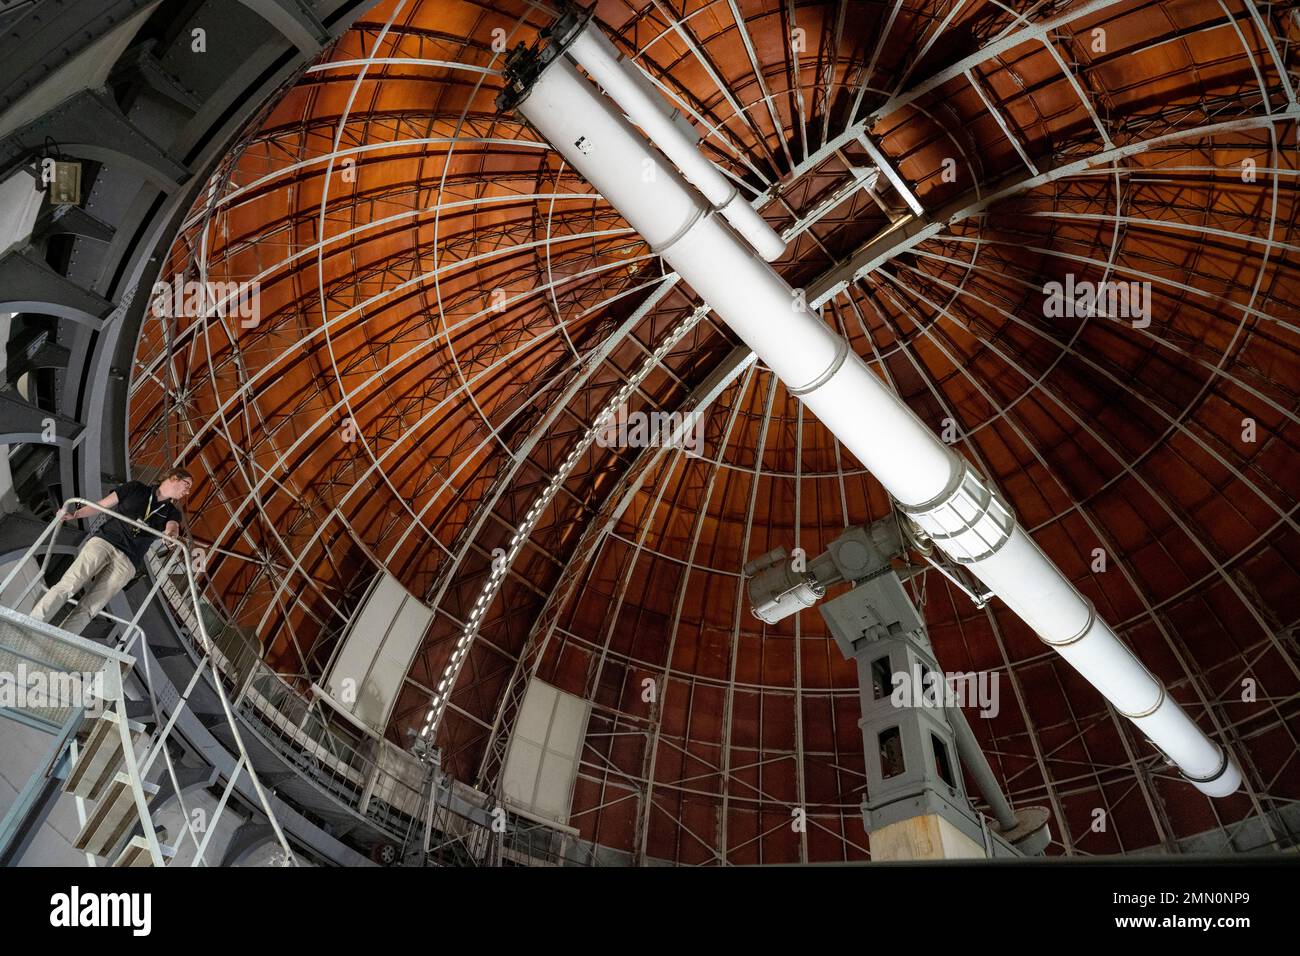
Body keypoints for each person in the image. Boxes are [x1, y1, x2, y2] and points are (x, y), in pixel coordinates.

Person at [30, 467, 193, 634]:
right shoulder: (136, 488)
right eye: (186, 484)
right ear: (174, 478)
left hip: (129, 560)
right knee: (69, 584)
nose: (187, 491)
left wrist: (170, 536)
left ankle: (59, 639)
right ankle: (33, 623)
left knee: (91, 607)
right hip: (105, 541)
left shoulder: (173, 513)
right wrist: (75, 515)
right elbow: (102, 505)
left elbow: (172, 528)